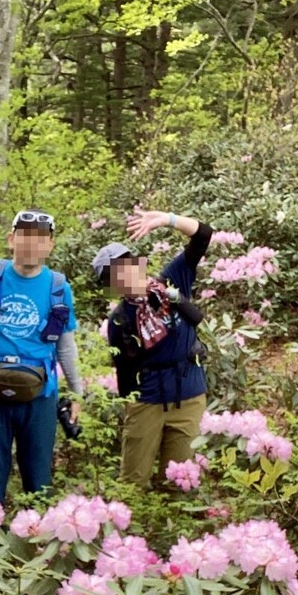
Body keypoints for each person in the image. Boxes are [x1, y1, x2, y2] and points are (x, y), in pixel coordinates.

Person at [0, 209, 84, 502]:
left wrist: (78, 394)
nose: (31, 244)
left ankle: (34, 539)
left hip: (40, 394)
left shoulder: (58, 287)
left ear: (50, 245)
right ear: (11, 239)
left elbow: (65, 346)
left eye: (40, 238)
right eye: (25, 236)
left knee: (39, 481)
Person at [92, 209, 214, 489]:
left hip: (189, 396)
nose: (124, 277)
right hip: (147, 402)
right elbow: (124, 375)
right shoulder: (120, 320)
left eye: (126, 267)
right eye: (114, 276)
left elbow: (203, 235)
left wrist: (167, 220)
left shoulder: (171, 281)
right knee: (132, 482)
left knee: (181, 483)